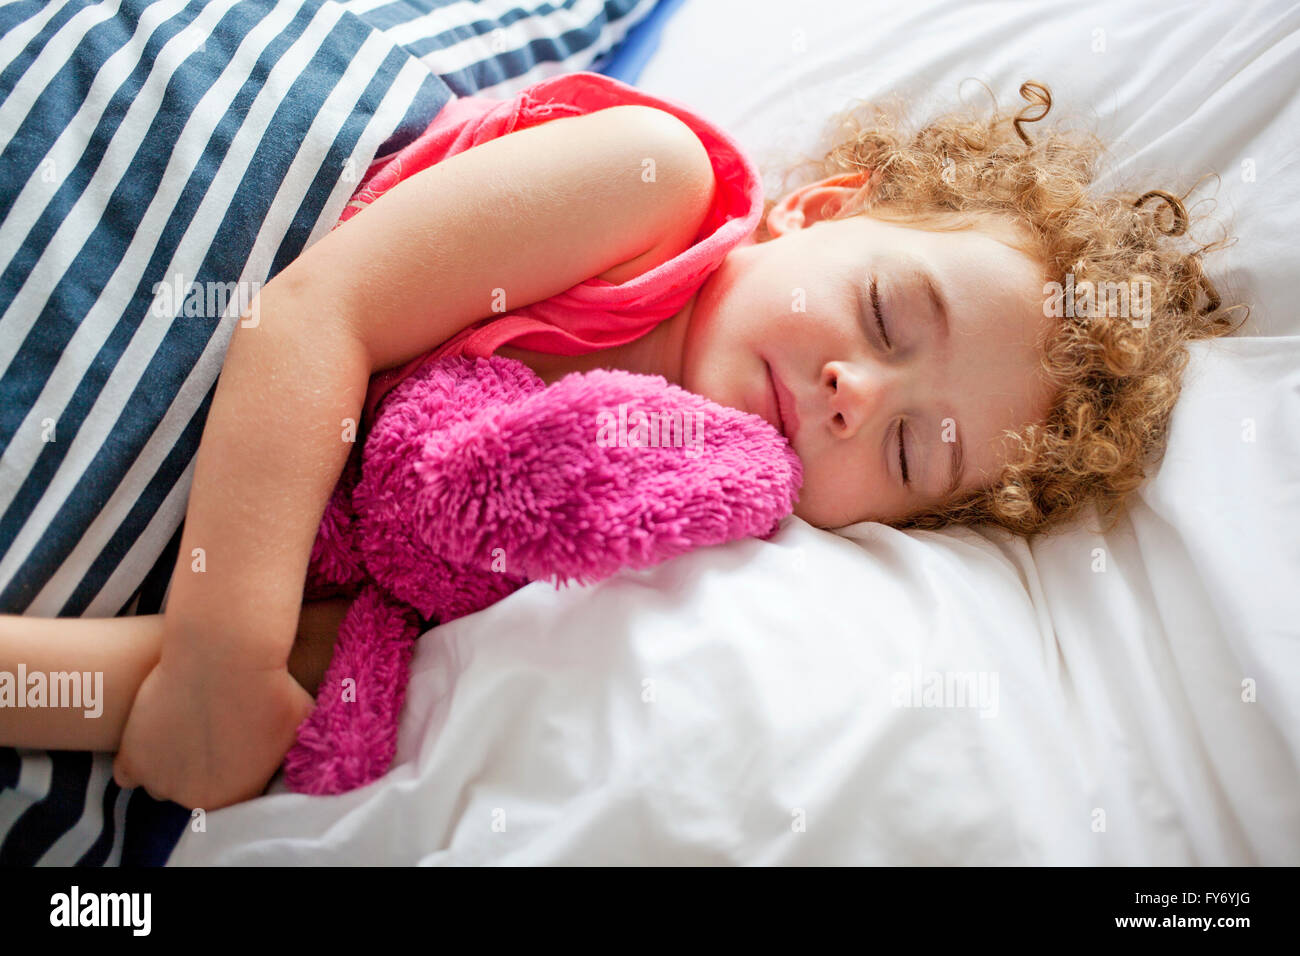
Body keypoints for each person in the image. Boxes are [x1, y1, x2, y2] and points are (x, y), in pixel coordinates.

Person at [0, 73, 1244, 809]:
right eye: (881, 312)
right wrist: (223, 652)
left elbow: (324, 649)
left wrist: (208, 706)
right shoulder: (651, 191)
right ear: (819, 208)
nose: (852, 391)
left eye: (912, 451)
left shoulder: (645, 513)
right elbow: (315, 312)